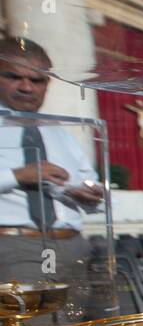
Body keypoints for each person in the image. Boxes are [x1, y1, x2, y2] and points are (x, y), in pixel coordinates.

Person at [0, 36, 106, 285]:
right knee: (32, 325)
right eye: (14, 77)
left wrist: (88, 195)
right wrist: (17, 175)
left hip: (74, 246)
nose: (27, 87)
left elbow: (91, 186)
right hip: (15, 246)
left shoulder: (61, 133)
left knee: (76, 324)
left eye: (37, 80)